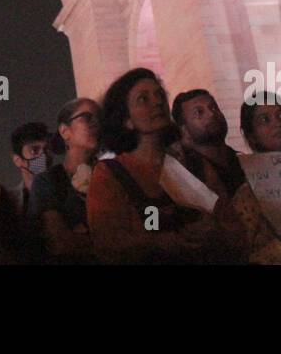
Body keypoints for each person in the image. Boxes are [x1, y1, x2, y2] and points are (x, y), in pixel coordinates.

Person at [86, 69, 246, 264]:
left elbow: (233, 227)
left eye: (159, 95)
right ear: (126, 119)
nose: (157, 102)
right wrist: (159, 242)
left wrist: (215, 231)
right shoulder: (110, 174)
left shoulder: (195, 164)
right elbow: (107, 244)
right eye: (143, 99)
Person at [175, 89, 281, 264]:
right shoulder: (188, 179)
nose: (211, 114)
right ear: (184, 132)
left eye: (213, 108)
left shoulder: (245, 165)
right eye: (199, 112)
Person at [31, 98, 101, 263]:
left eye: (100, 119)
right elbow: (60, 243)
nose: (96, 124)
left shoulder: (113, 174)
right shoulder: (47, 181)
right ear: (64, 131)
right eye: (87, 117)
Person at [5, 121, 50, 218]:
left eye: (47, 149)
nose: (44, 157)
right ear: (18, 160)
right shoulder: (9, 204)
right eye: (34, 150)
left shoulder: (67, 194)